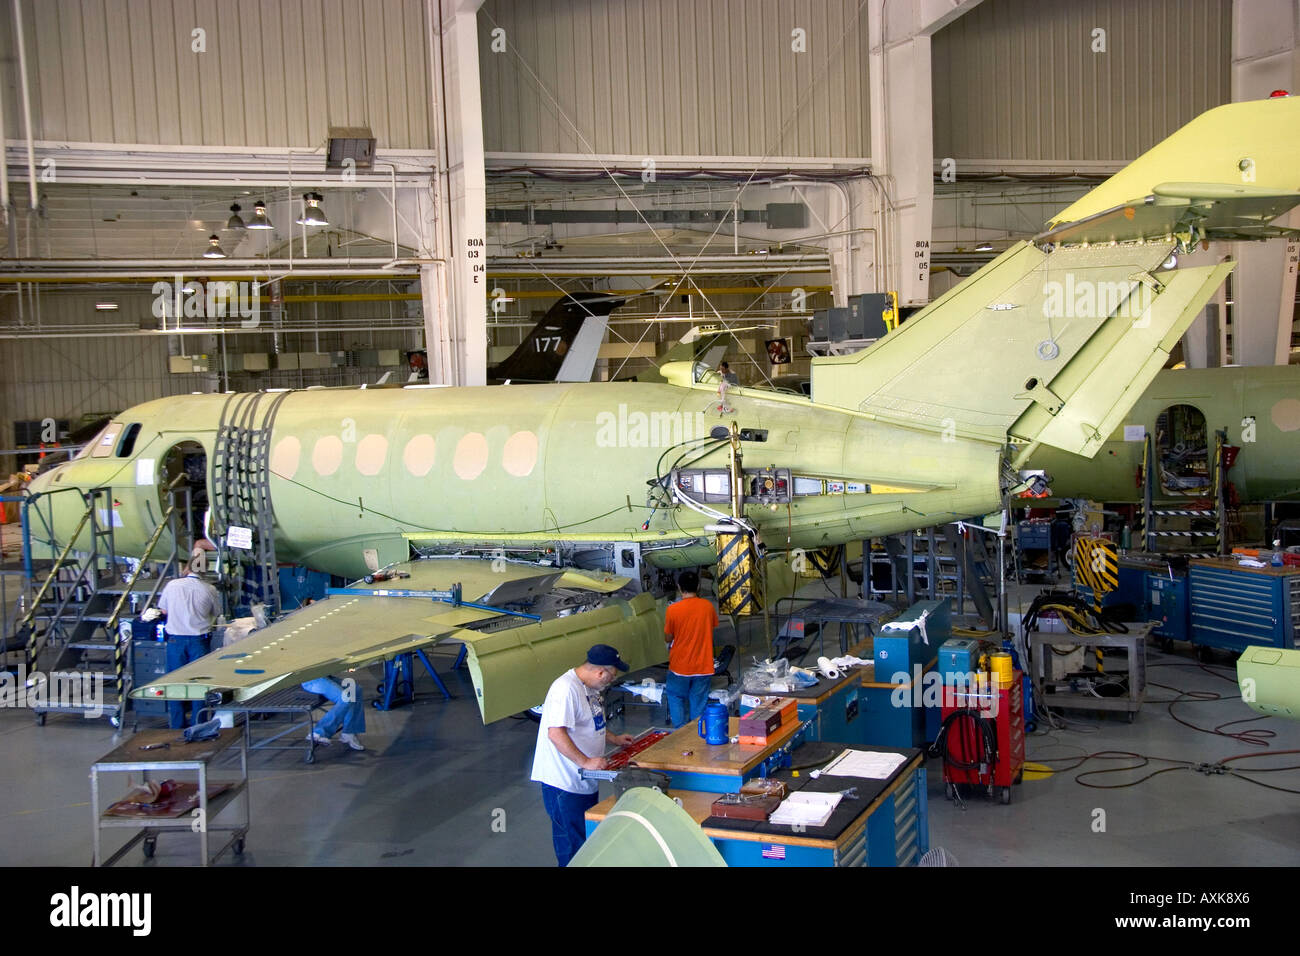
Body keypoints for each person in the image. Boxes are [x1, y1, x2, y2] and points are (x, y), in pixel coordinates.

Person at [531, 644, 634, 866]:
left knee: (586, 843)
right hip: (564, 783)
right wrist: (586, 762)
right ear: (601, 672)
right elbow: (556, 734)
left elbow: (590, 723)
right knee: (572, 846)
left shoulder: (590, 688)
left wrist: (614, 739)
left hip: (584, 780)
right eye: (611, 676)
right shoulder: (565, 689)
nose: (610, 681)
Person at [150, 559, 220, 729]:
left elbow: (164, 610)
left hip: (176, 641)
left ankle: (176, 724)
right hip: (198, 641)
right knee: (199, 685)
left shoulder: (172, 585)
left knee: (175, 683)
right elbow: (216, 613)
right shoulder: (209, 589)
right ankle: (199, 724)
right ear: (204, 571)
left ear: (187, 568)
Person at [662, 570, 719, 727]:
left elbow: (668, 637)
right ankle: (696, 733)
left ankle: (680, 732)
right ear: (699, 586)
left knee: (675, 696)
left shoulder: (673, 610)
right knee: (699, 701)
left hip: (680, 665)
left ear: (679, 587)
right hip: (703, 665)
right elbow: (711, 627)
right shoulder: (708, 607)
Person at [302, 675, 366, 751]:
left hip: (326, 677)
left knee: (355, 690)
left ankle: (349, 732)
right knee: (345, 698)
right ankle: (319, 732)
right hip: (312, 679)